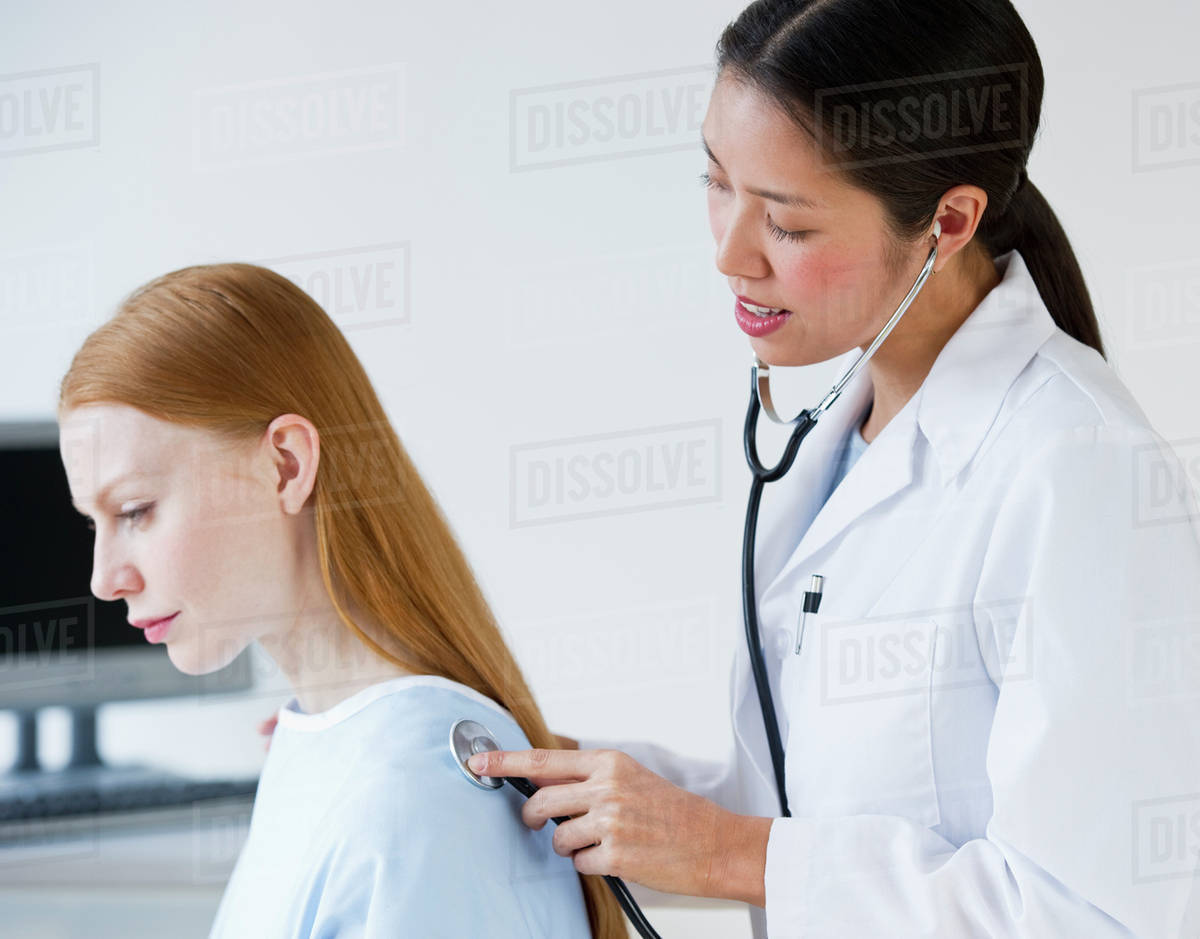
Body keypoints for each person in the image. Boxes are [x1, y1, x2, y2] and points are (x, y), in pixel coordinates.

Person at [464, 1, 1200, 936]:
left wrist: (730, 851)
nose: (729, 253)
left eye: (788, 225)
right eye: (717, 182)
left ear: (949, 220)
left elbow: (1099, 914)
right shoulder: (844, 430)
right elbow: (804, 806)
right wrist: (509, 767)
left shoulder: (1078, 470)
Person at [55, 263, 626, 938]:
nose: (103, 578)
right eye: (96, 523)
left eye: (136, 509)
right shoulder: (334, 750)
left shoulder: (414, 796)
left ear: (285, 466)